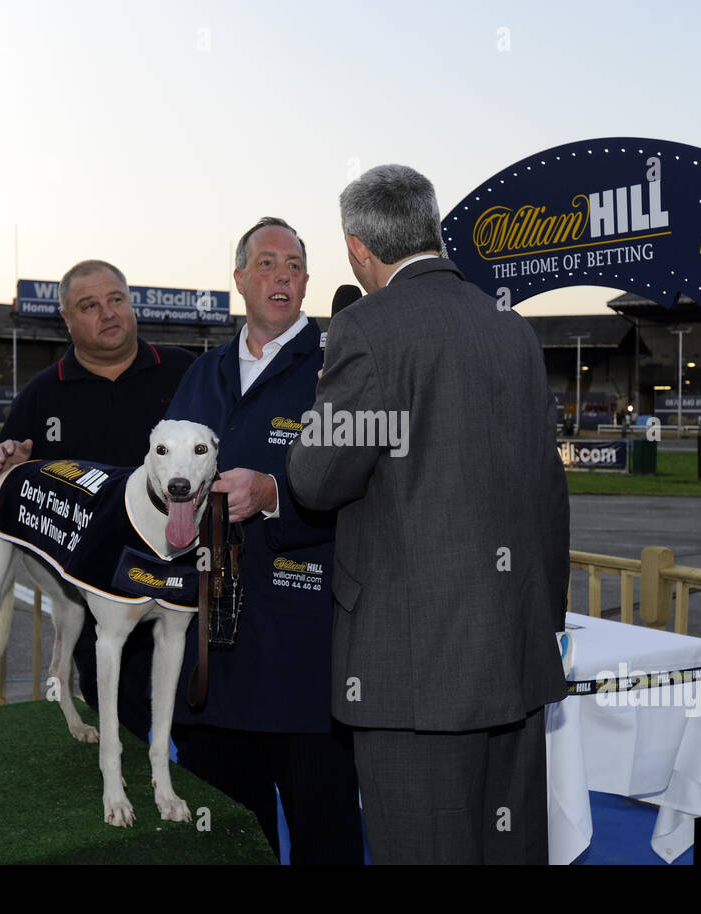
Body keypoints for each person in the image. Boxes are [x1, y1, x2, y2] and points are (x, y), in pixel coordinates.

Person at [286, 165, 570, 864]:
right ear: (431, 225)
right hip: (514, 652)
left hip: (413, 672)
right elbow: (549, 489)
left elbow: (316, 479)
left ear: (358, 249)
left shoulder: (367, 330)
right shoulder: (513, 331)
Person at [165, 218, 364, 864]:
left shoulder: (339, 371)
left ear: (307, 282)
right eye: (268, 263)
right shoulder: (202, 374)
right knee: (226, 843)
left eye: (295, 266)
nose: (282, 276)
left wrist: (274, 494)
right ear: (240, 278)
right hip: (212, 665)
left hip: (304, 666)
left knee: (324, 838)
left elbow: (368, 492)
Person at [0, 260, 194, 742]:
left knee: (196, 731)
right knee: (126, 734)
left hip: (179, 587)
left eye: (116, 299)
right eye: (89, 306)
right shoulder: (43, 392)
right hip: (100, 601)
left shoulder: (182, 370)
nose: (108, 313)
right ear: (67, 320)